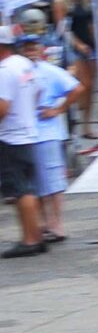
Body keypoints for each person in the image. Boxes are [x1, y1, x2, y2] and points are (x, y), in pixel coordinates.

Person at [28, 37, 81, 244]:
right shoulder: (18, 72)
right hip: (28, 135)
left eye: (33, 47)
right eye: (26, 48)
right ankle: (44, 224)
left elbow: (76, 88)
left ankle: (56, 224)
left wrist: (58, 110)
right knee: (37, 183)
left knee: (53, 182)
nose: (30, 51)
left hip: (47, 134)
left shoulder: (48, 70)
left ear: (41, 50)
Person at [0, 28, 46, 257]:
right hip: (29, 132)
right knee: (27, 187)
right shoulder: (24, 64)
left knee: (20, 190)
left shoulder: (4, 70)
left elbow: (2, 107)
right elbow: (39, 90)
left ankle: (30, 240)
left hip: (11, 136)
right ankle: (36, 235)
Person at [56, 0, 96, 141]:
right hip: (73, 47)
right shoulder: (61, 2)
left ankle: (87, 124)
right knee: (83, 84)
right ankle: (75, 119)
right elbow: (63, 29)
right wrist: (77, 44)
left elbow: (91, 22)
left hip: (90, 44)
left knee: (91, 86)